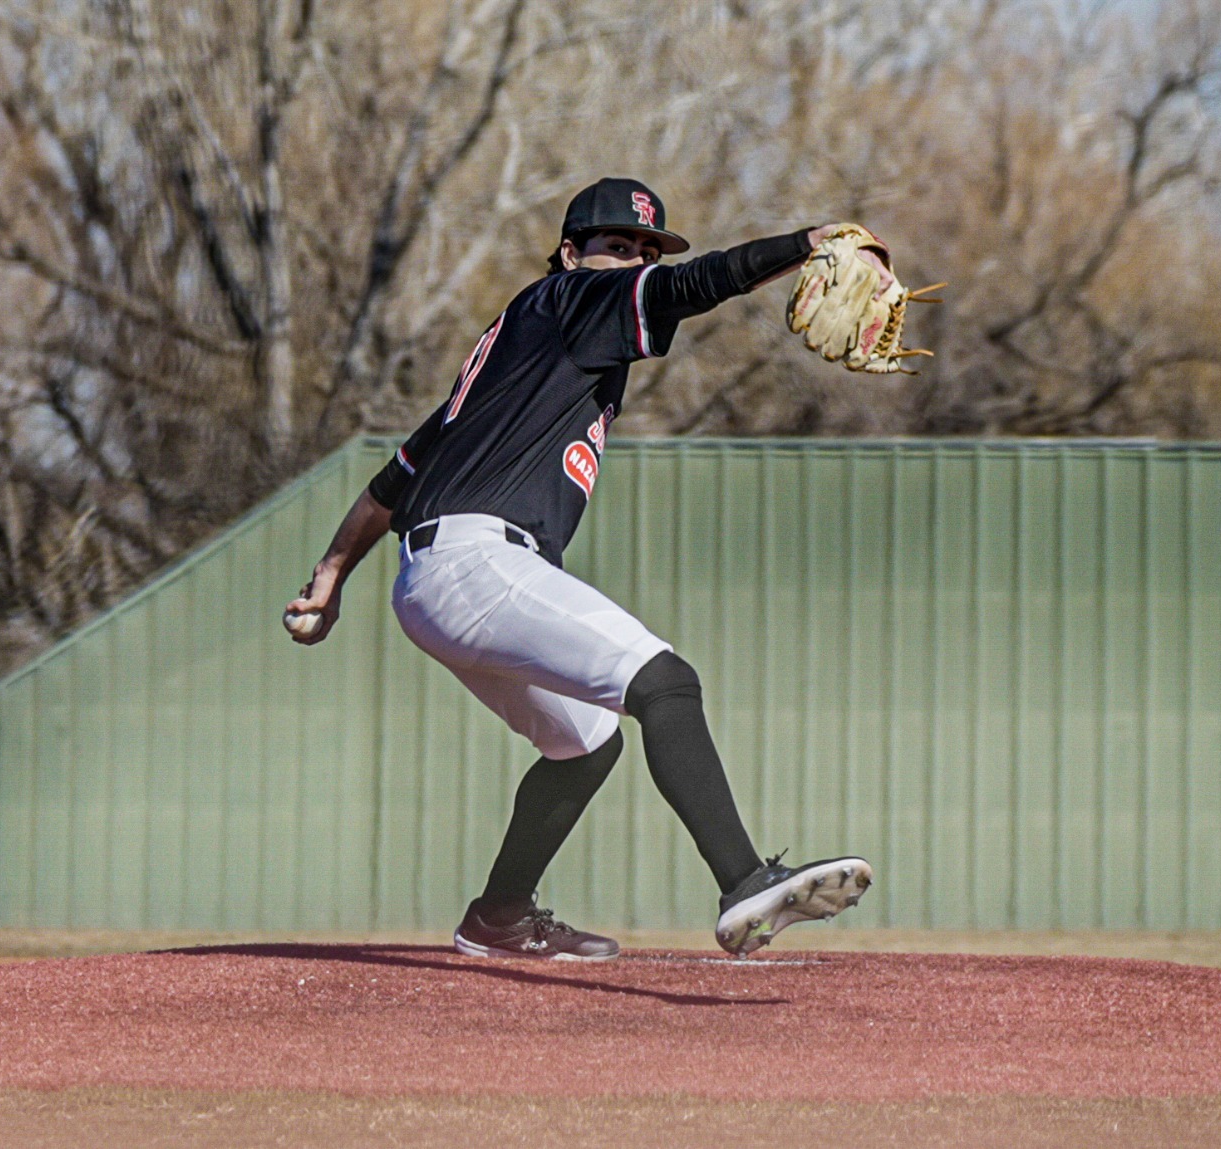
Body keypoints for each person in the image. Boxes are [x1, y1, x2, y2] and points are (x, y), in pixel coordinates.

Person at [287, 178, 874, 960]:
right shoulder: (570, 300)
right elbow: (692, 284)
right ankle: (744, 881)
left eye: (644, 250)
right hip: (475, 562)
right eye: (617, 245)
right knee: (665, 682)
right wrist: (804, 244)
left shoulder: (521, 358)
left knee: (587, 743)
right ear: (571, 253)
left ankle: (497, 916)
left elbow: (395, 478)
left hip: (438, 579)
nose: (633, 261)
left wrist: (330, 575)